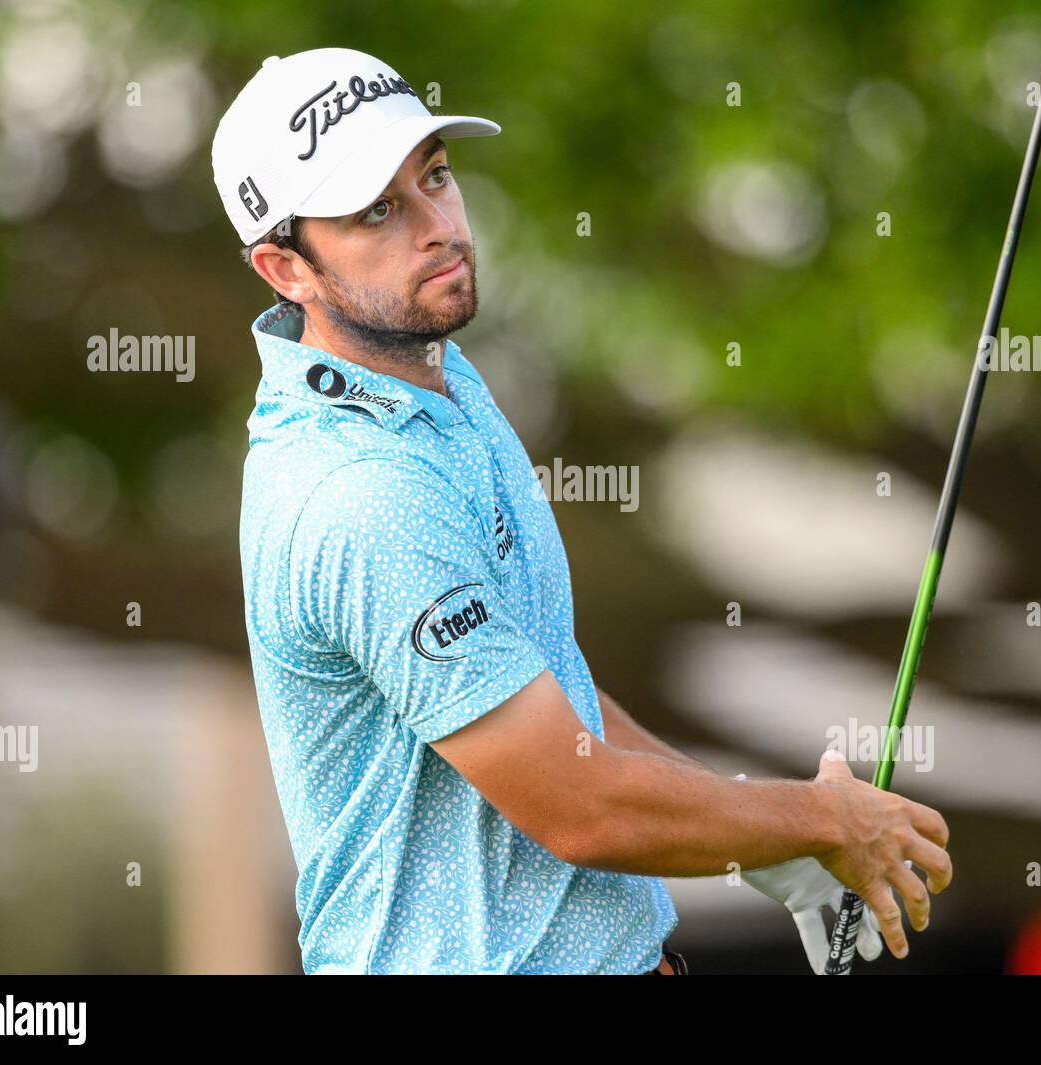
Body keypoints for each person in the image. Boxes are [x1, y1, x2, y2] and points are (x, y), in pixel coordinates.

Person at [213, 47, 952, 974]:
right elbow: (578, 802)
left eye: (435, 176)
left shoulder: (435, 379)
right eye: (377, 211)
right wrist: (820, 819)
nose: (438, 225)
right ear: (287, 268)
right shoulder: (361, 492)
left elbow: (550, 700)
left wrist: (771, 838)